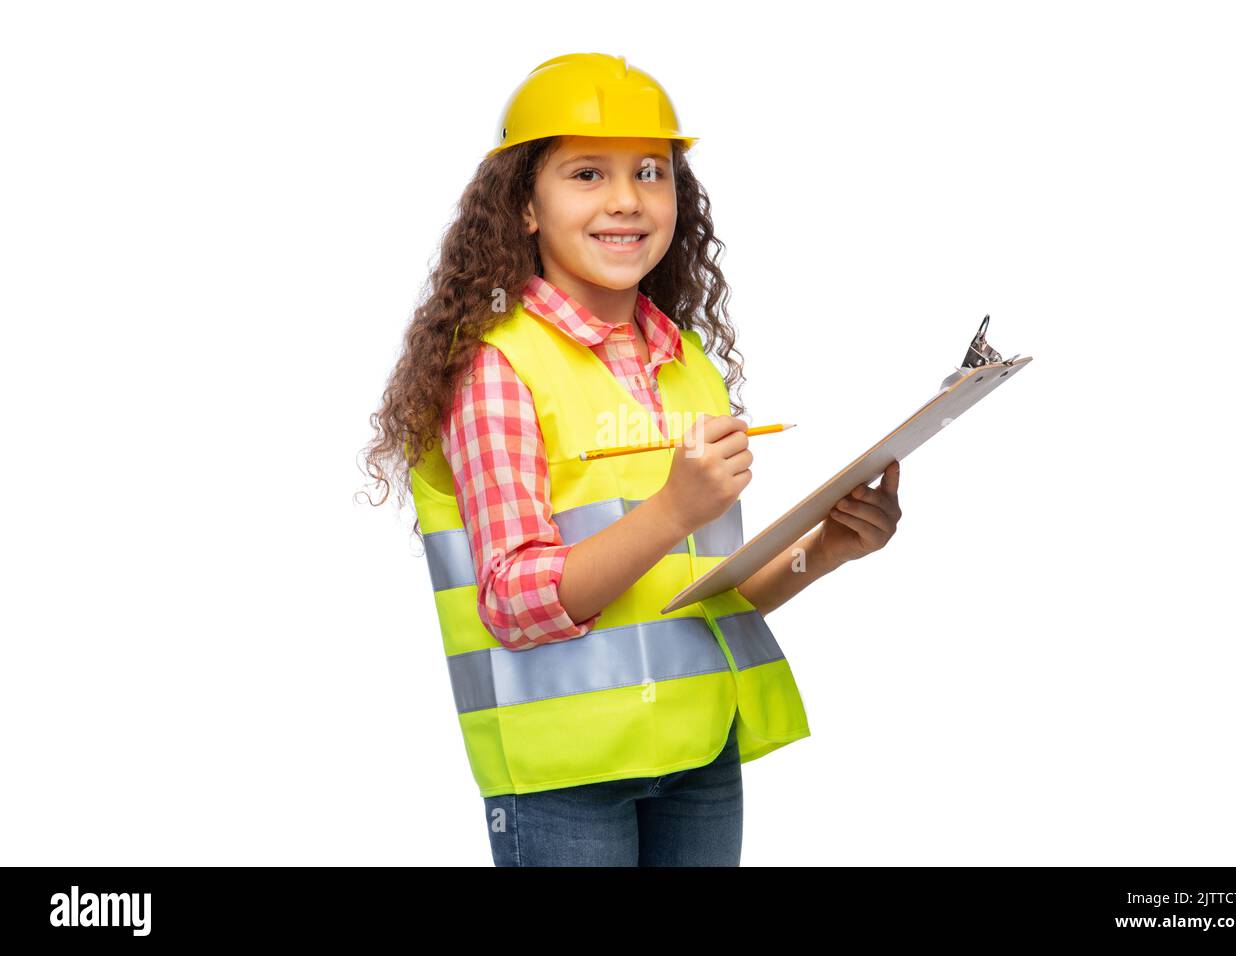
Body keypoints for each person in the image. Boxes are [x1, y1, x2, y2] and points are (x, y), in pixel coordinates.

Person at [361, 53, 902, 866]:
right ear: (526, 207)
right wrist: (671, 511)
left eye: (652, 172)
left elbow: (707, 599)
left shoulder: (686, 361)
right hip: (563, 776)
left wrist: (828, 548)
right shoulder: (496, 372)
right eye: (587, 173)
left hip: (699, 755)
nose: (626, 199)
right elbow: (511, 603)